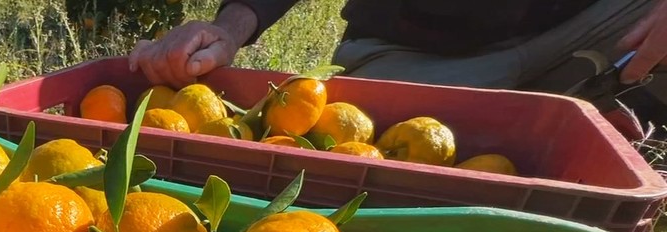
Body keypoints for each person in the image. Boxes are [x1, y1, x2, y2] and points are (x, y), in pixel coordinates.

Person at [128, 0, 667, 111]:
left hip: (583, 25)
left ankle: (627, 115)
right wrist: (229, 27)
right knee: (360, 141)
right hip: (414, 54)